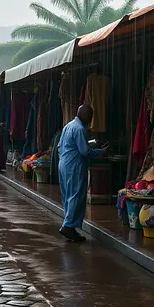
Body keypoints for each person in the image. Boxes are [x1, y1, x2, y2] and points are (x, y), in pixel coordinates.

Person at [58, 104, 108, 243]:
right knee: (76, 195)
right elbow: (84, 151)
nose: (91, 120)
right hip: (74, 165)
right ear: (85, 116)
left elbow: (66, 145)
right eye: (90, 117)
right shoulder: (79, 128)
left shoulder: (69, 126)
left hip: (64, 164)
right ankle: (68, 226)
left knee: (68, 195)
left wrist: (92, 145)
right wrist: (101, 152)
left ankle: (70, 225)